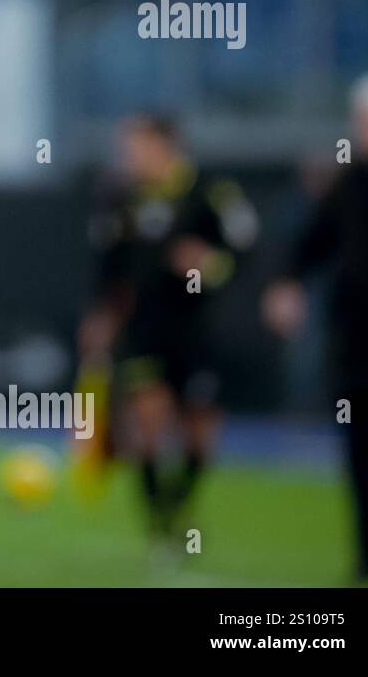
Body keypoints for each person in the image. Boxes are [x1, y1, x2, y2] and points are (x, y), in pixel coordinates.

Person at [78, 114, 256, 554]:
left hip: (199, 329)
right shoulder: (120, 199)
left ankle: (179, 506)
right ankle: (159, 521)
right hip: (144, 329)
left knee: (199, 433)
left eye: (135, 147)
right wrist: (102, 317)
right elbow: (110, 267)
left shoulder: (211, 194)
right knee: (148, 419)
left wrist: (210, 265)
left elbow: (246, 251)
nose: (128, 157)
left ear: (165, 146)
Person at [262, 69, 368, 583]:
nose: (366, 129)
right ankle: (367, 556)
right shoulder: (351, 182)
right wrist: (287, 284)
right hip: (360, 343)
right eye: (362, 119)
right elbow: (311, 243)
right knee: (359, 455)